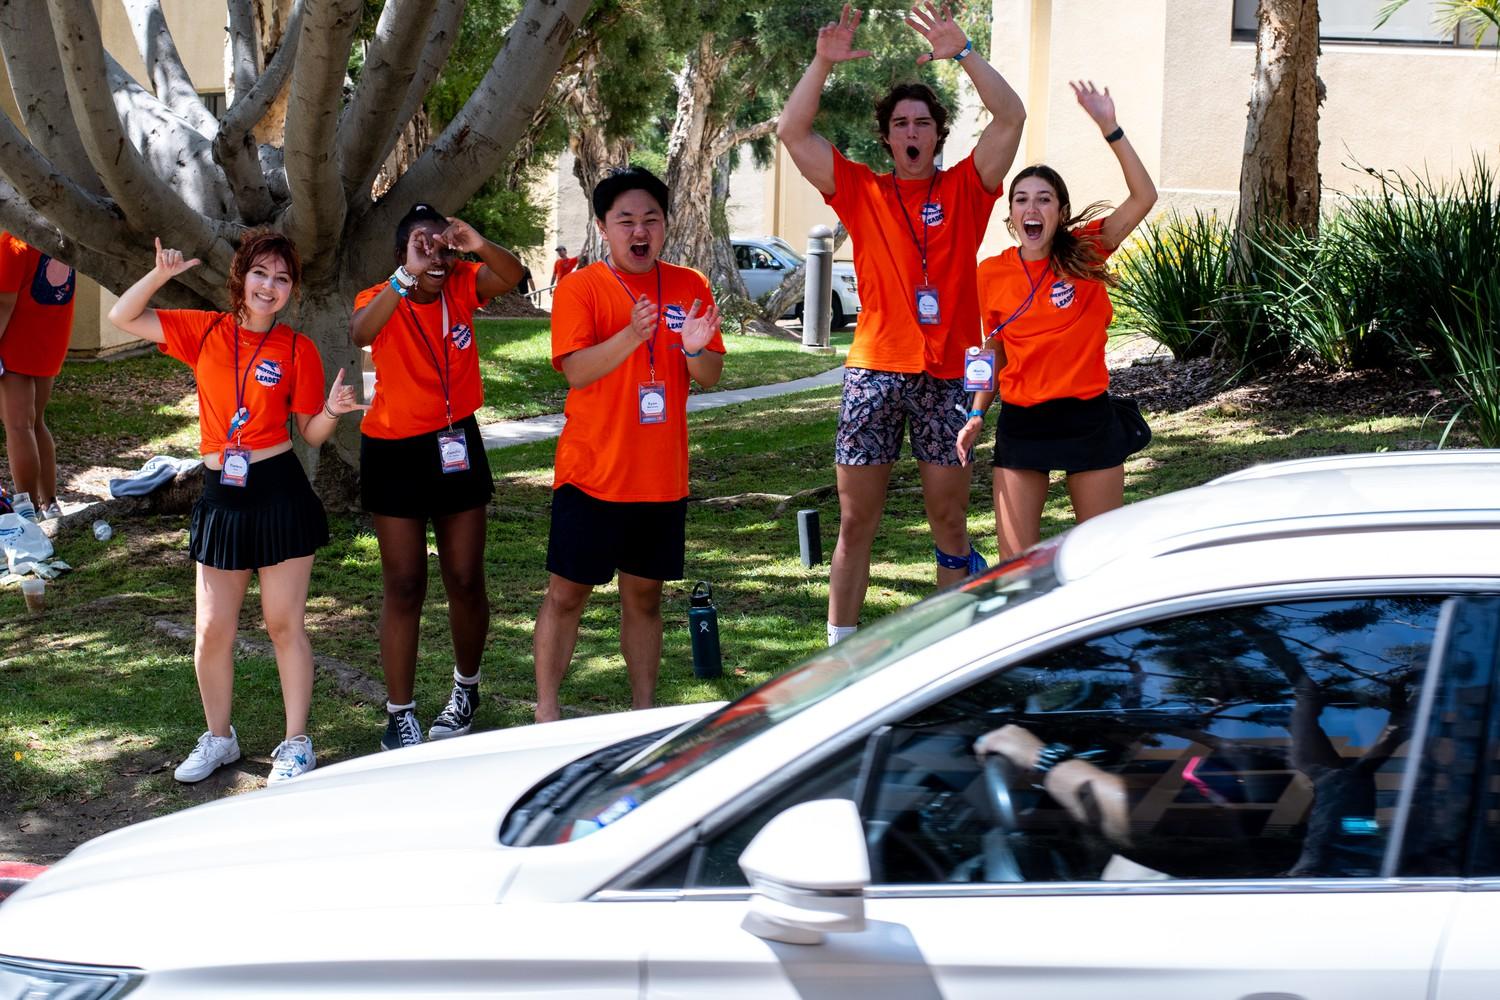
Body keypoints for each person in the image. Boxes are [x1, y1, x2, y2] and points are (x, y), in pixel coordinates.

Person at [777, 3, 1026, 645]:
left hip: (947, 380)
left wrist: (965, 50)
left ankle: (950, 648)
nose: (911, 131)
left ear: (937, 135)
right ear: (885, 137)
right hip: (873, 373)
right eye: (899, 124)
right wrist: (822, 62)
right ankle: (839, 649)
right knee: (856, 522)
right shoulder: (860, 190)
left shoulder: (969, 189)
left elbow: (1011, 116)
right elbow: (793, 132)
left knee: (948, 523)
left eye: (922, 122)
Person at [107, 230, 366, 784]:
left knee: (282, 623)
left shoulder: (298, 349)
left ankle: (296, 743)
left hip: (278, 489)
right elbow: (122, 317)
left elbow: (311, 435)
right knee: (212, 629)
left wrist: (332, 410)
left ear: (291, 290)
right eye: (260, 274)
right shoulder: (204, 332)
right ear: (240, 279)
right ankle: (219, 738)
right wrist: (160, 275)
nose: (269, 287)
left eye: (281, 278)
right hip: (220, 491)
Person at [533, 167, 725, 723]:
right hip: (591, 474)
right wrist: (630, 336)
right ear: (602, 227)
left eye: (650, 220)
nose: (639, 232)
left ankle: (643, 713)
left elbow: (710, 375)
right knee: (566, 597)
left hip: (659, 478)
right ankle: (547, 712)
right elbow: (575, 370)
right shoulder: (580, 288)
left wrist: (692, 349)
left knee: (644, 600)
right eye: (626, 221)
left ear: (665, 225)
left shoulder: (690, 285)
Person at [956, 81, 1157, 559]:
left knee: (1102, 557)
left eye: (1044, 199)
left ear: (1061, 212)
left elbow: (1144, 195)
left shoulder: (1087, 251)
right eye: (1022, 199)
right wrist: (976, 413)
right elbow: (992, 348)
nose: (1032, 207)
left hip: (1088, 417)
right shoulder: (992, 273)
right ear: (1011, 215)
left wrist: (1110, 128)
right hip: (1024, 422)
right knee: (1016, 564)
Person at [351, 204, 525, 751]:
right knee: (404, 585)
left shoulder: (463, 284)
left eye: (442, 246)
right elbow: (360, 330)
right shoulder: (382, 295)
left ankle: (465, 689)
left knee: (466, 577)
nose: (436, 254)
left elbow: (513, 275)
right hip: (393, 451)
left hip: (456, 441)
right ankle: (399, 713)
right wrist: (405, 276)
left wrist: (475, 243)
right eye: (422, 245)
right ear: (402, 252)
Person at [0, 233, 76, 519]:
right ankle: (50, 503)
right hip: (50, 340)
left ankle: (27, 510)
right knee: (36, 422)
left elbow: (3, 302)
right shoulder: (58, 233)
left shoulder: (14, 239)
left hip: (15, 342)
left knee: (19, 427)